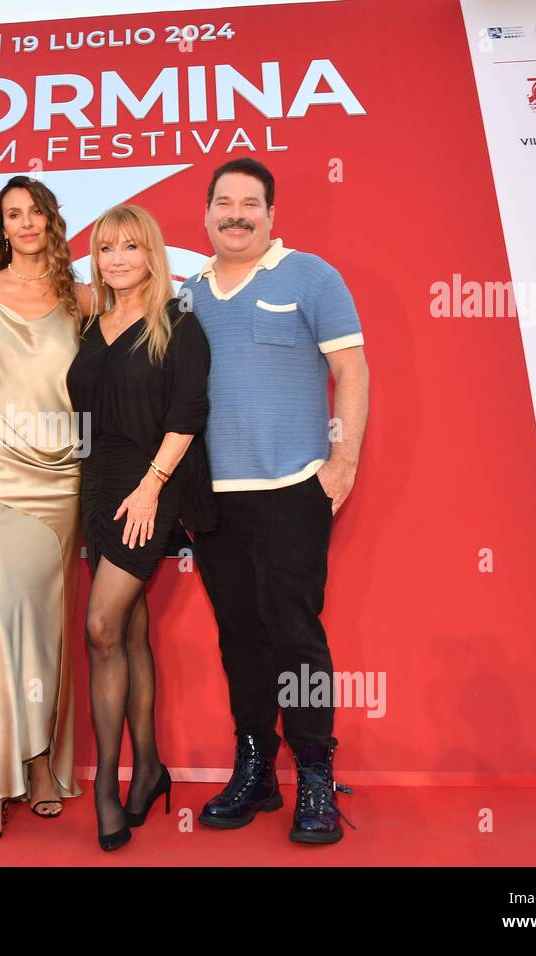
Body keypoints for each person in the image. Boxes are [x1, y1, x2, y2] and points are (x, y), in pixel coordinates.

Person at [183, 159, 369, 844]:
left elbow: (351, 368)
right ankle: (256, 765)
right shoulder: (186, 296)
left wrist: (341, 459)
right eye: (224, 203)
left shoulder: (312, 276)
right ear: (206, 215)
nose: (237, 213)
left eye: (250, 203)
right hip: (214, 501)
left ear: (270, 214)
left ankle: (315, 773)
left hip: (294, 488)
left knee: (297, 637)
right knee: (240, 638)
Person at [66, 205, 214, 851]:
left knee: (101, 627)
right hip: (97, 488)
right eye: (105, 248)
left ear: (152, 254)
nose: (117, 258)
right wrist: (79, 503)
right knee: (126, 629)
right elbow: (82, 421)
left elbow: (187, 414)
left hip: (148, 487)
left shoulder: (178, 323)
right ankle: (150, 767)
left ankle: (106, 783)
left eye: (130, 246)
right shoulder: (92, 327)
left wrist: (153, 488)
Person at [0, 176, 94, 845]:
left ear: (51, 220)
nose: (26, 223)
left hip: (63, 477)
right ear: (0, 227)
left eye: (35, 211)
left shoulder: (84, 297)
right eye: (14, 214)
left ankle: (40, 765)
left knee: (46, 625)